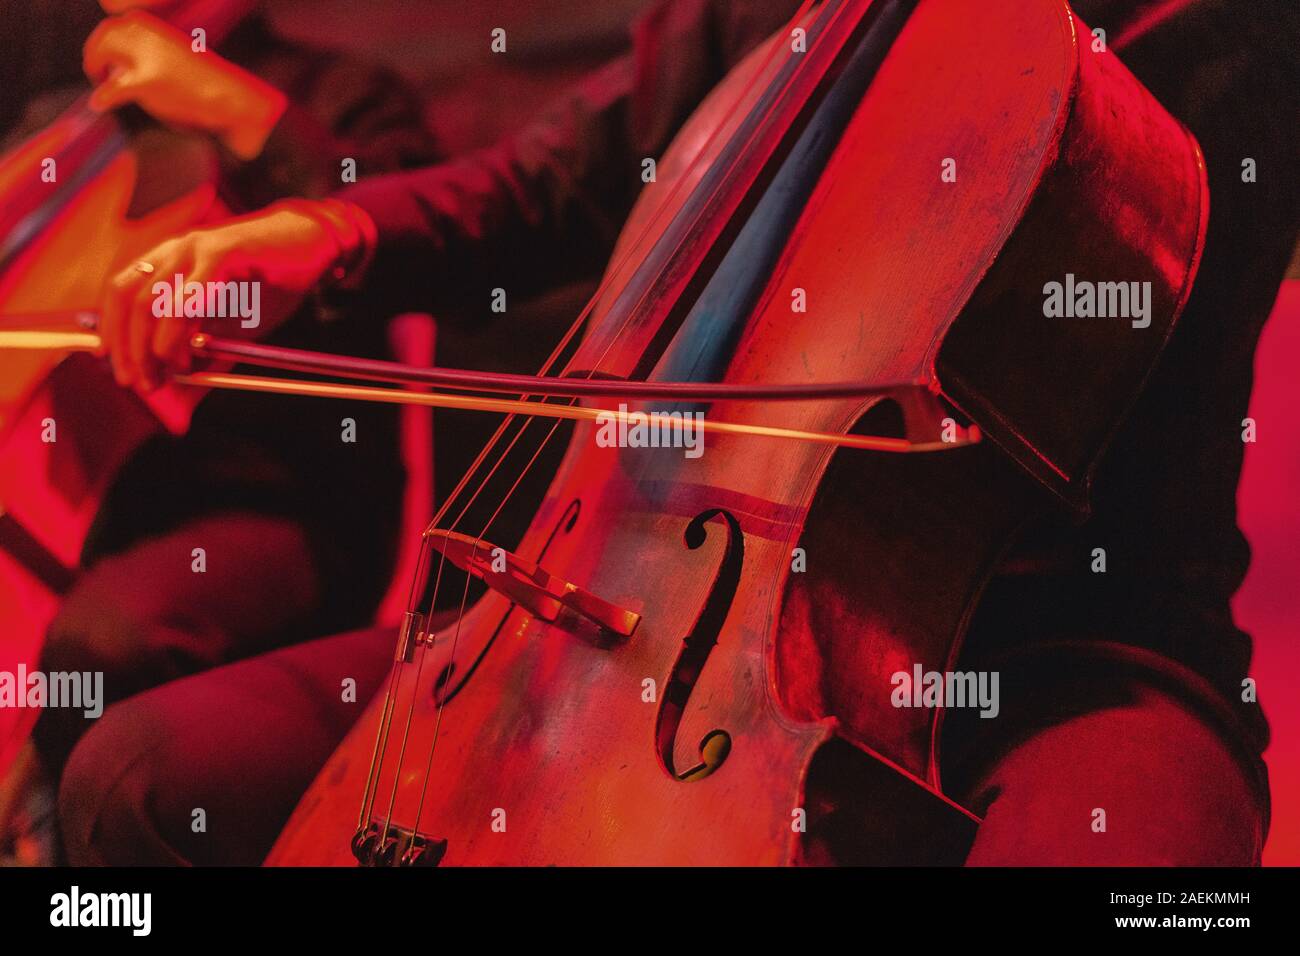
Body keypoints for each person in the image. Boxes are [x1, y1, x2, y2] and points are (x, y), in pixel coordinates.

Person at [56, 0, 1300, 864]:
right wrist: (332, 234)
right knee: (143, 783)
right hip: (653, 600)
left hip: (1063, 648)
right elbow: (562, 173)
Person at [0, 0, 437, 862]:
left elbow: (415, 236)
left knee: (104, 638)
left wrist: (246, 113)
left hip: (276, 509)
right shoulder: (66, 123)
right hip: (66, 510)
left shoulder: (341, 90)